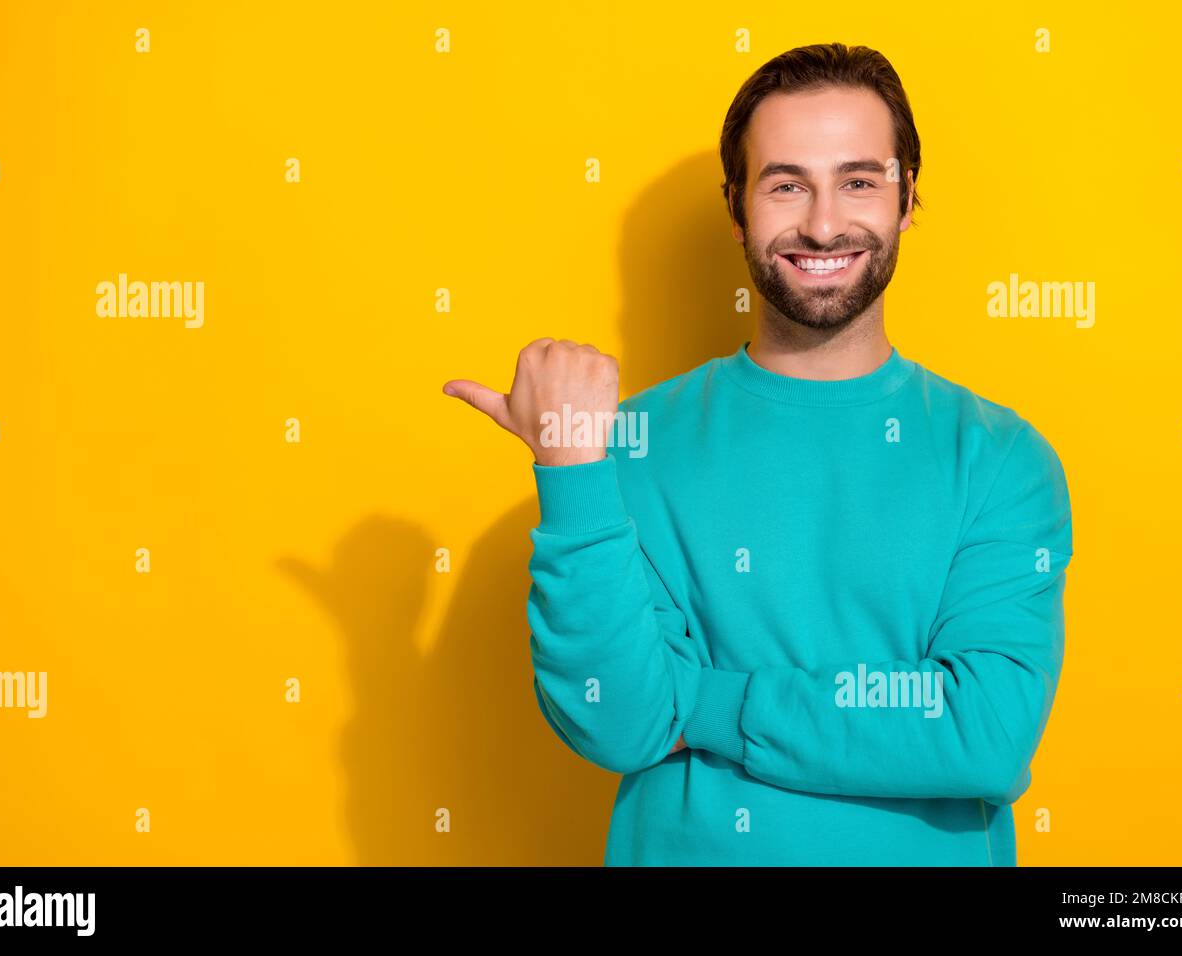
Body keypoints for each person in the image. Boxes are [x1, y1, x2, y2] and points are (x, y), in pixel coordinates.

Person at [443, 42, 1073, 866]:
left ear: (908, 197)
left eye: (858, 180)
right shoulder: (621, 446)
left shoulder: (1000, 459)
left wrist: (705, 701)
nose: (821, 222)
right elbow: (620, 722)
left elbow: (982, 733)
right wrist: (569, 468)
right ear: (736, 206)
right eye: (786, 184)